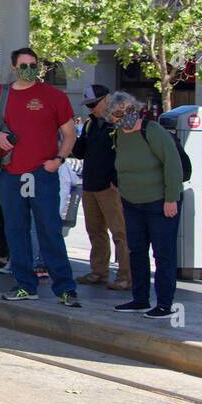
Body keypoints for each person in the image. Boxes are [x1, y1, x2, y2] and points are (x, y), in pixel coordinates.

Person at [0, 47, 81, 306]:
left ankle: (66, 288)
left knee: (49, 229)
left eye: (32, 64)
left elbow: (70, 133)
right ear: (14, 67)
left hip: (42, 172)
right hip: (11, 173)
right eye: (23, 65)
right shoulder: (0, 94)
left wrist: (58, 160)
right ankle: (25, 285)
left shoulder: (53, 96)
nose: (28, 69)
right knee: (16, 230)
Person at [107, 92, 183, 320]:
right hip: (132, 203)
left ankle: (164, 304)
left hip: (160, 203)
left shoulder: (153, 131)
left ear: (137, 109)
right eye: (120, 113)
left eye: (130, 111)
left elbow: (173, 164)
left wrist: (171, 198)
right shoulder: (118, 135)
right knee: (137, 252)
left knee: (163, 254)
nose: (126, 116)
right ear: (112, 117)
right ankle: (140, 299)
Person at [71, 84, 131, 290]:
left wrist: (116, 180)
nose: (91, 108)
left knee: (120, 233)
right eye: (88, 105)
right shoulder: (90, 124)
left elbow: (126, 153)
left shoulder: (119, 122)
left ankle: (126, 275)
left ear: (106, 100)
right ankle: (99, 271)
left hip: (109, 187)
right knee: (95, 231)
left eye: (93, 104)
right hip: (90, 185)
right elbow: (79, 152)